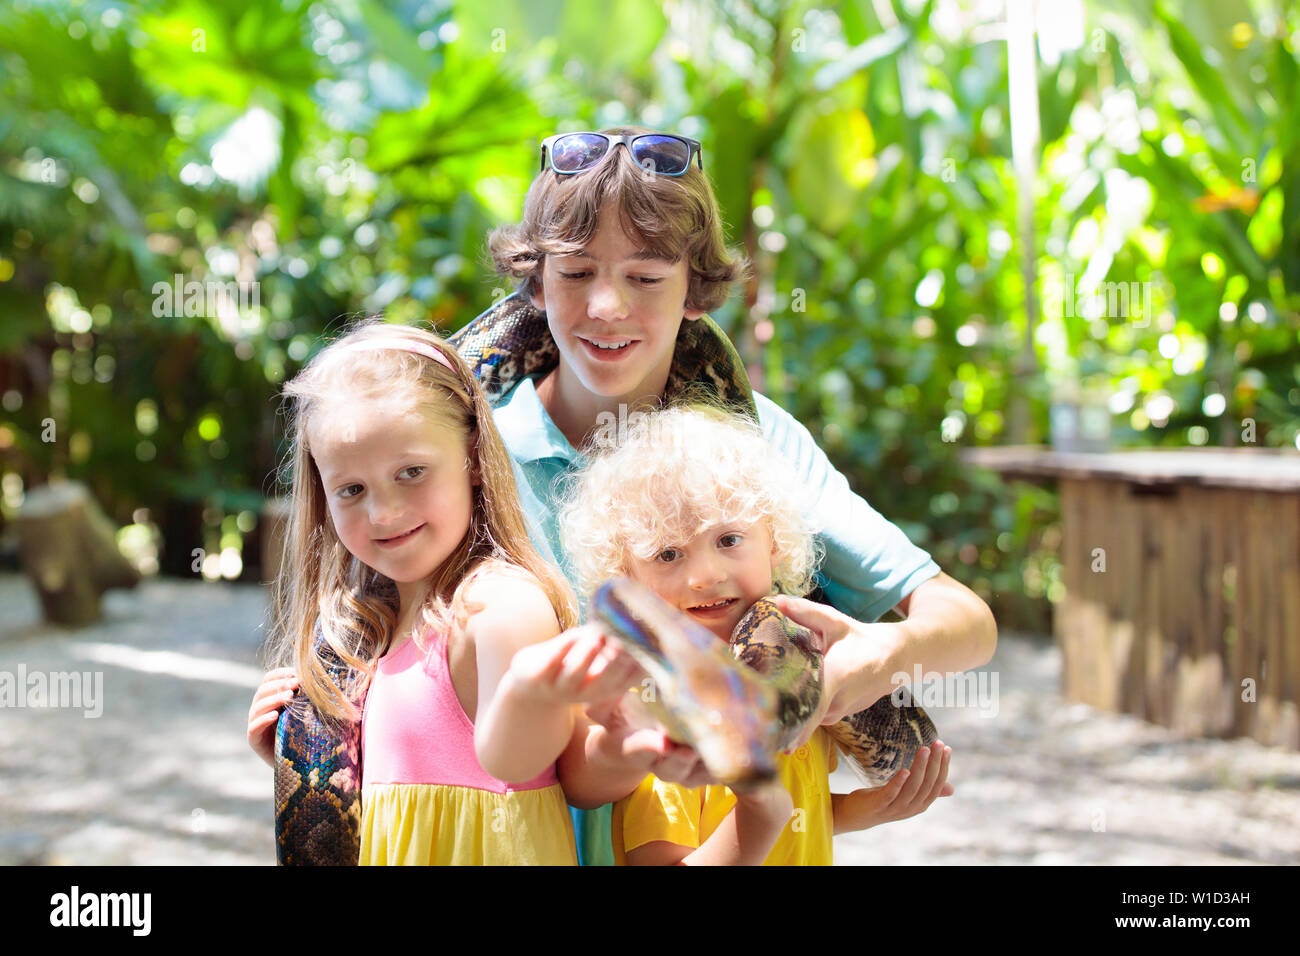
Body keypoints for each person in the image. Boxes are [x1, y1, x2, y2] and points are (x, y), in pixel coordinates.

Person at [451, 126, 996, 864]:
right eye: (576, 273)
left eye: (646, 278)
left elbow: (967, 622)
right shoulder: (461, 449)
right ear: (535, 282)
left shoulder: (753, 445)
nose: (607, 305)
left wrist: (884, 655)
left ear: (695, 294)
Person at [246, 321, 638, 865]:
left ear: (474, 458)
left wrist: (618, 746)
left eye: (411, 472)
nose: (383, 513)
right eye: (351, 489)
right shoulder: (370, 627)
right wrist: (297, 757)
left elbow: (530, 764)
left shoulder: (498, 607)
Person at [559, 403, 953, 864]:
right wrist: (760, 814)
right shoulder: (665, 708)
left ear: (775, 542)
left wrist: (860, 811)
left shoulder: (806, 665)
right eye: (667, 554)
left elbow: (800, 812)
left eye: (728, 540)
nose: (705, 576)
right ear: (624, 575)